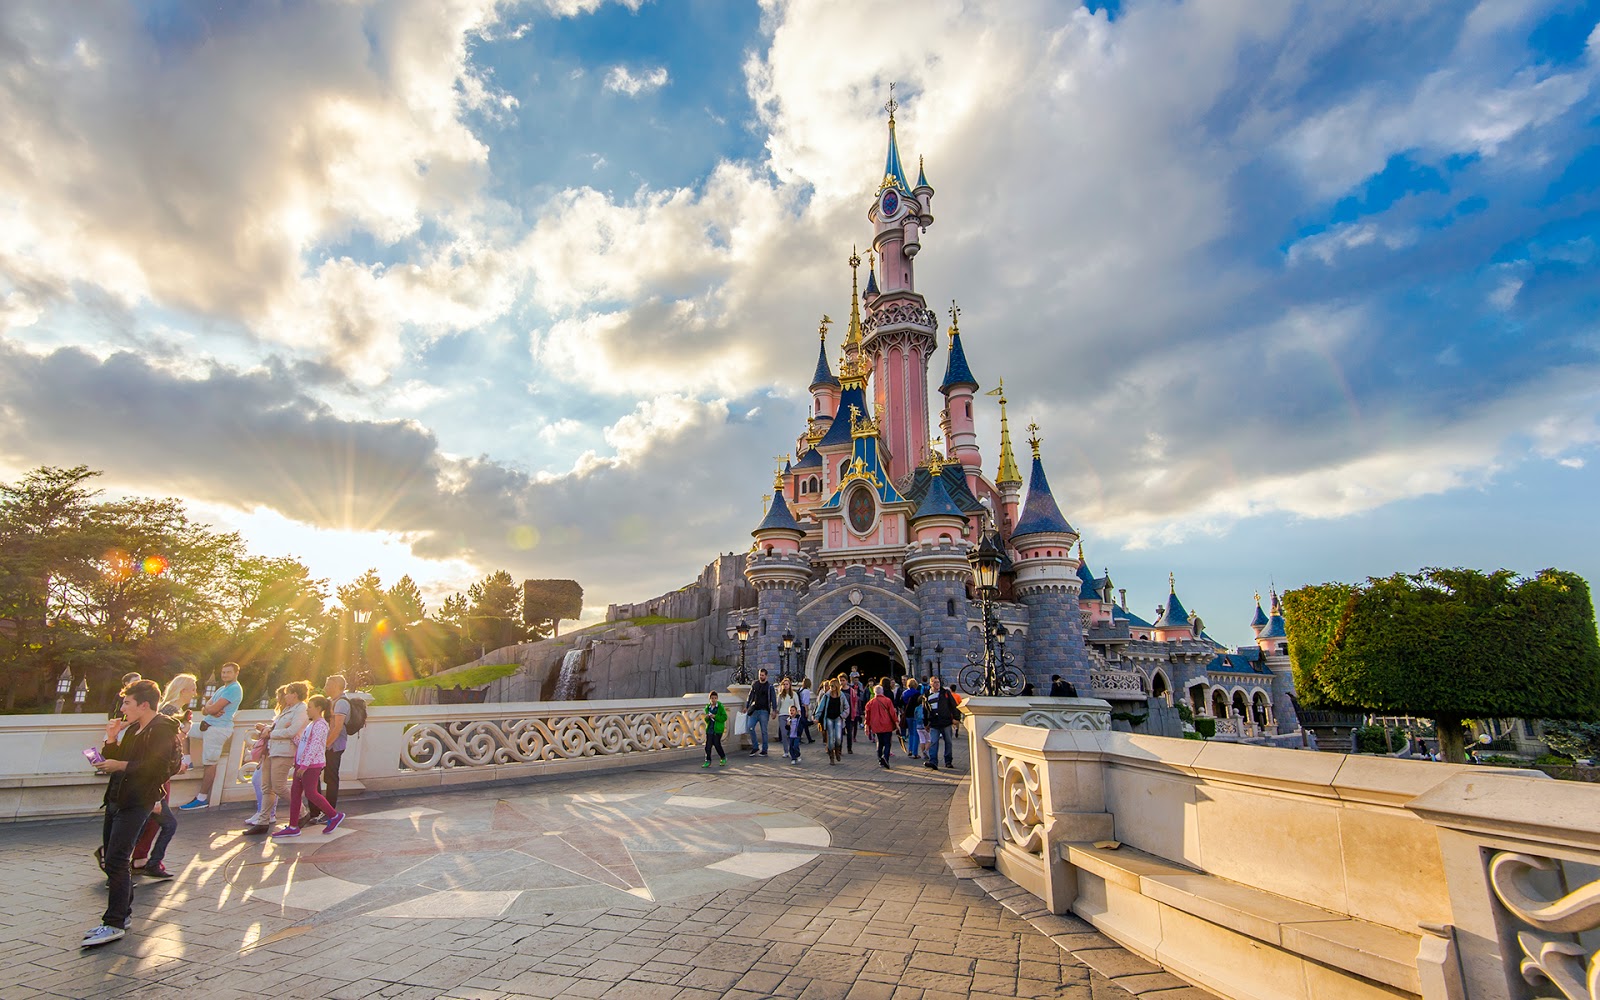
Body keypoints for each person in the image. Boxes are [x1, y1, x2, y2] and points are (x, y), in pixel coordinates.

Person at [82, 679, 180, 948]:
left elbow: (158, 768)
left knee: (116, 859)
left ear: (144, 704)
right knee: (113, 860)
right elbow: (112, 761)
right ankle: (120, 916)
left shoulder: (161, 729)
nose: (122, 707)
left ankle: (113, 923)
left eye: (127, 702)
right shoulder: (135, 728)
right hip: (116, 799)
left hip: (137, 801)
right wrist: (111, 738)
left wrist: (120, 764)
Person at [132, 673, 197, 879]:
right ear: (183, 690)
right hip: (158, 772)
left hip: (158, 771)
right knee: (159, 819)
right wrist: (184, 732)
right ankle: (144, 859)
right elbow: (165, 741)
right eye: (193, 688)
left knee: (151, 819)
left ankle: (140, 857)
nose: (195, 693)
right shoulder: (170, 710)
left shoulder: (169, 708)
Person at [273, 695, 344, 837]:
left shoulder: (321, 726)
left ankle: (334, 815)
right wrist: (293, 737)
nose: (307, 710)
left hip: (311, 766)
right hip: (302, 764)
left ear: (318, 708)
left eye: (310, 707)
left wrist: (304, 766)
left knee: (311, 793)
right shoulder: (312, 725)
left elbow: (315, 746)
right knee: (295, 794)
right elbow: (304, 744)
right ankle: (293, 826)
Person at [244, 681, 309, 835]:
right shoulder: (287, 709)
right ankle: (263, 821)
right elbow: (279, 727)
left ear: (295, 694)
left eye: (288, 693)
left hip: (284, 752)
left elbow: (293, 730)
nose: (285, 696)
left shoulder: (301, 710)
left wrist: (271, 733)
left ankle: (302, 812)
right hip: (272, 750)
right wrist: (267, 729)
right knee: (266, 787)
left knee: (279, 787)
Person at [179, 661, 243, 811]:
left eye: (228, 672)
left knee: (210, 763)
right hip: (206, 725)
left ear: (236, 673)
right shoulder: (222, 688)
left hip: (218, 729)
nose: (225, 674)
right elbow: (205, 709)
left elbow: (213, 708)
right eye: (224, 672)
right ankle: (187, 760)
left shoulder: (234, 689)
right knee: (183, 729)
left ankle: (201, 798)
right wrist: (210, 708)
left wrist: (211, 708)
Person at [305, 674, 352, 825]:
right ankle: (316, 810)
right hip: (327, 746)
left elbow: (337, 727)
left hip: (334, 747)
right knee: (317, 776)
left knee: (331, 778)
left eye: (328, 684)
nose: (325, 687)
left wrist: (324, 746)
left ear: (336, 686)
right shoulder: (332, 702)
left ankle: (329, 812)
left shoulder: (341, 703)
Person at [923, 676, 959, 770]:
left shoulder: (945, 693)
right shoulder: (926, 695)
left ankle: (948, 761)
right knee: (934, 742)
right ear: (930, 684)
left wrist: (956, 718)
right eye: (934, 682)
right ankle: (933, 761)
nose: (937, 684)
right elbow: (925, 710)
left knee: (948, 742)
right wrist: (926, 723)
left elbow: (953, 705)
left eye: (938, 682)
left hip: (946, 722)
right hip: (934, 723)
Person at [865, 685, 898, 769]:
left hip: (876, 725)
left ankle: (880, 760)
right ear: (882, 691)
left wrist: (867, 726)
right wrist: (897, 723)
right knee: (887, 743)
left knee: (879, 743)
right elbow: (892, 713)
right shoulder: (887, 701)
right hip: (887, 724)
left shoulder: (870, 703)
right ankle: (885, 758)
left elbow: (867, 716)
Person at [745, 669, 776, 757]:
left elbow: (773, 699)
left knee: (764, 731)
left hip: (764, 711)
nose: (761, 677)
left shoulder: (770, 687)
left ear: (766, 676)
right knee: (750, 727)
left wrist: (774, 710)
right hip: (755, 709)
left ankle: (765, 749)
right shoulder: (755, 684)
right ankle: (755, 746)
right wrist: (747, 706)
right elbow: (750, 696)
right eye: (760, 675)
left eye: (762, 675)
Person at [814, 677, 846, 764]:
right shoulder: (826, 696)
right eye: (830, 686)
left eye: (832, 686)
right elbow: (821, 707)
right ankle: (831, 756)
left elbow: (847, 707)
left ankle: (837, 750)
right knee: (831, 738)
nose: (830, 687)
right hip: (829, 718)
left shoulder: (841, 696)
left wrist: (842, 715)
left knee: (838, 738)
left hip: (838, 718)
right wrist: (817, 717)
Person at [702, 690, 727, 768]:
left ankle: (723, 757)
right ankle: (708, 760)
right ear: (710, 699)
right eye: (712, 698)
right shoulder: (707, 708)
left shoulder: (720, 707)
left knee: (717, 744)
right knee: (708, 745)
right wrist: (707, 718)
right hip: (710, 728)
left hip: (717, 729)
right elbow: (706, 720)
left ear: (717, 699)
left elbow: (724, 717)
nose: (713, 700)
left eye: (715, 698)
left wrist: (715, 716)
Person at [901, 679, 925, 759]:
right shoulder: (917, 693)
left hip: (907, 715)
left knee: (910, 733)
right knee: (916, 734)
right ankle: (915, 752)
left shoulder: (904, 693)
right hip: (915, 715)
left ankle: (910, 750)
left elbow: (900, 703)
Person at [798, 678, 816, 743]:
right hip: (803, 708)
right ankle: (813, 722)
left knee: (804, 724)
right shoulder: (806, 691)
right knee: (804, 723)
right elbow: (805, 702)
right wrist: (806, 711)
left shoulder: (800, 689)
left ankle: (809, 738)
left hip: (799, 707)